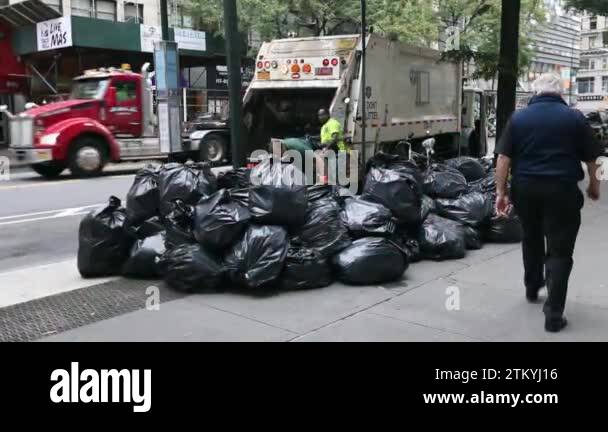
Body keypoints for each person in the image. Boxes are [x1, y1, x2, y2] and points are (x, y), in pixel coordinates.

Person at [495, 73, 602, 333]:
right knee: (560, 250)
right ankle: (554, 314)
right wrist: (594, 185)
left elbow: (503, 159)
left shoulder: (519, 117)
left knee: (531, 237)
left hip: (526, 190)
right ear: (560, 93)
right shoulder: (575, 118)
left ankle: (532, 285)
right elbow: (594, 159)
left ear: (535, 92)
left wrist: (501, 192)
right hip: (562, 192)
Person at [316, 109, 350, 184]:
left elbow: (335, 138)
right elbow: (326, 139)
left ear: (328, 115)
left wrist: (326, 149)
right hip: (332, 153)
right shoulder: (325, 125)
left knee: (335, 177)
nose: (320, 117)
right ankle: (328, 187)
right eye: (319, 115)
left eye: (322, 115)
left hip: (338, 152)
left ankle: (337, 191)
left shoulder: (332, 123)